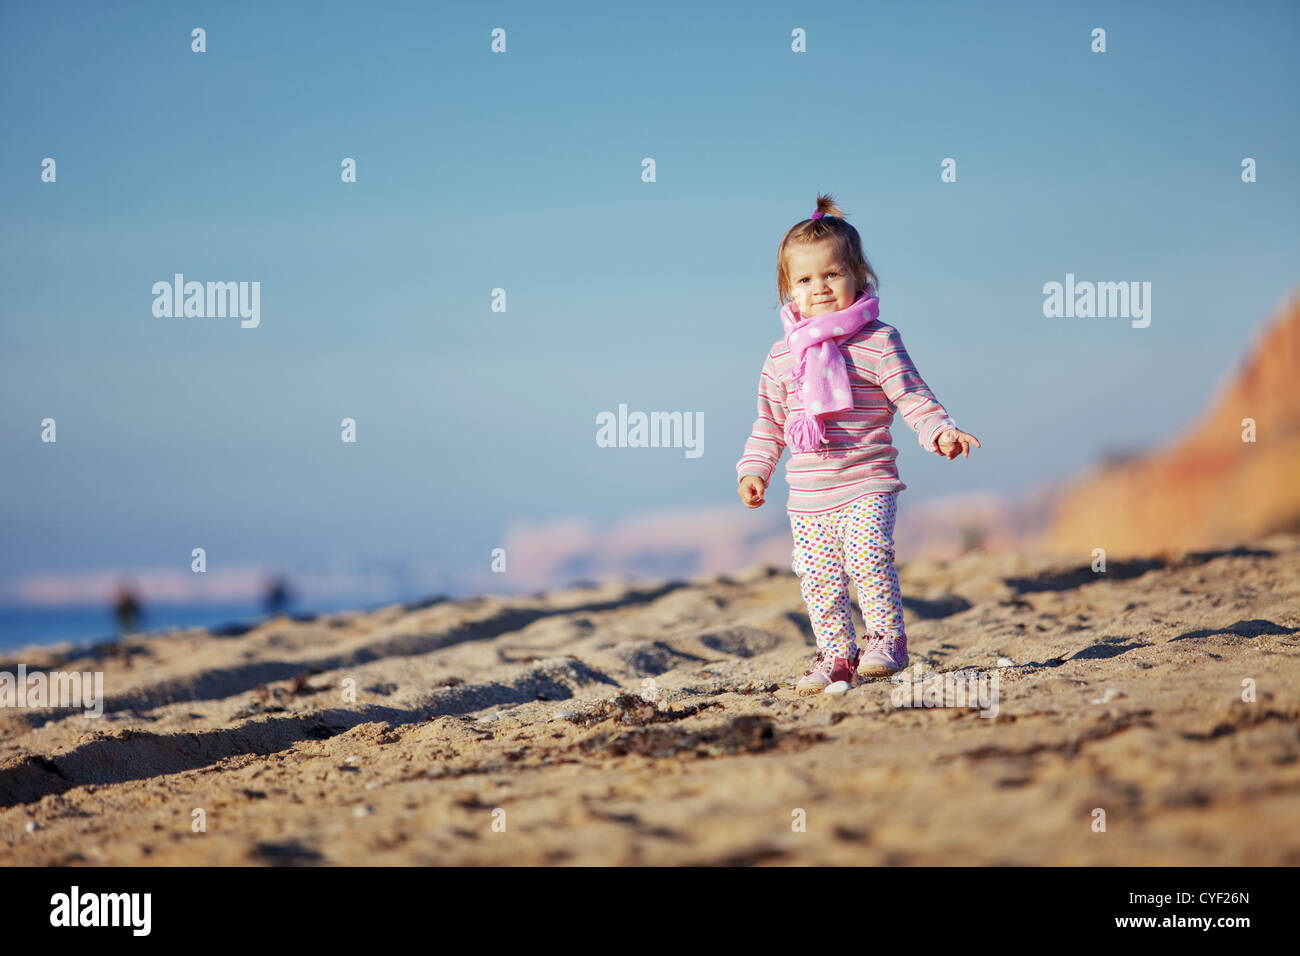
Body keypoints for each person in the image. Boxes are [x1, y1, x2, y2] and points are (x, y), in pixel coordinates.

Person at [736, 193, 980, 695]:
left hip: (867, 479)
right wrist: (754, 469)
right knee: (819, 580)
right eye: (805, 280)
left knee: (869, 556)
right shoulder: (782, 358)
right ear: (788, 291)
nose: (819, 288)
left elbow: (912, 396)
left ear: (859, 276)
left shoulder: (879, 341)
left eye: (831, 274)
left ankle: (886, 640)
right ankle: (836, 655)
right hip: (808, 495)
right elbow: (769, 424)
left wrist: (941, 431)